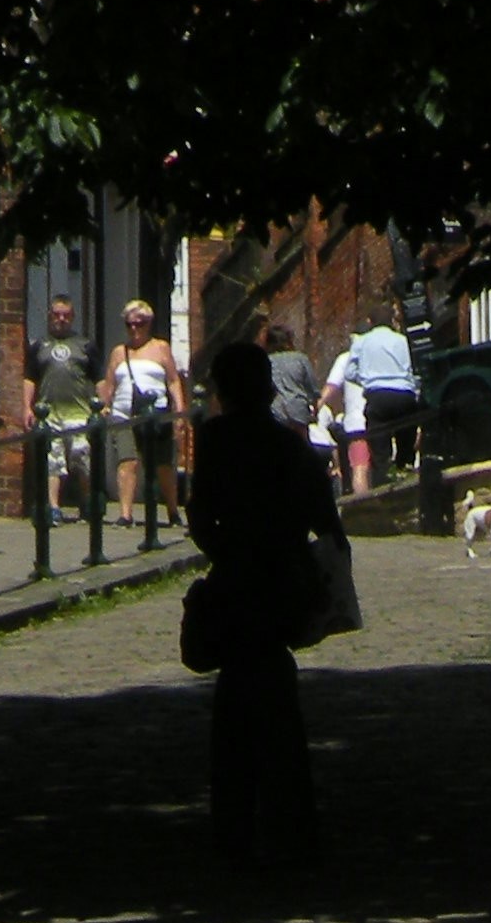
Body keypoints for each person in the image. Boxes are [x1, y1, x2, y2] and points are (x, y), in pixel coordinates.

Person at [187, 337, 341, 866]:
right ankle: (291, 831)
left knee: (234, 713)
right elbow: (325, 519)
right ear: (268, 389)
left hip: (236, 582)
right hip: (279, 584)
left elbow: (201, 513)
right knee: (280, 714)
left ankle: (233, 834)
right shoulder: (286, 446)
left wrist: (224, 550)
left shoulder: (215, 440)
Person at [100, 297, 182, 527]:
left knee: (162, 464)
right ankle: (126, 514)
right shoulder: (119, 352)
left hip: (156, 414)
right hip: (124, 414)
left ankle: (173, 510)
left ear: (149, 323)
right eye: (129, 324)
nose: (134, 329)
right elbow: (109, 383)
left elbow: (173, 380)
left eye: (140, 323)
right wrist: (104, 405)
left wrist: (180, 409)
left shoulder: (161, 348)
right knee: (127, 462)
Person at [323, 297, 416, 490]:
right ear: (391, 321)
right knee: (406, 437)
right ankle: (406, 472)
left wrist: (366, 379)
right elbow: (409, 368)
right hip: (404, 394)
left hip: (378, 396)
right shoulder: (402, 340)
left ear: (370, 322)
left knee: (380, 445)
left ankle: (386, 481)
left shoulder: (362, 342)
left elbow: (350, 373)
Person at [22, 295, 98, 516]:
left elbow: (99, 378)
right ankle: (53, 507)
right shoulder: (38, 346)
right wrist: (27, 407)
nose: (61, 319)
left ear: (72, 317)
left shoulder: (85, 345)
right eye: (57, 315)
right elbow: (30, 379)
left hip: (80, 413)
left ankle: (88, 504)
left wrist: (102, 405)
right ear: (49, 317)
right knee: (53, 462)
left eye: (65, 315)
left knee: (82, 459)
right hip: (49, 414)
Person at [264, 324, 317, 436]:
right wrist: (315, 407)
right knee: (301, 443)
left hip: (276, 411)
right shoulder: (300, 358)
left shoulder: (265, 361)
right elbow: (312, 387)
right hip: (298, 409)